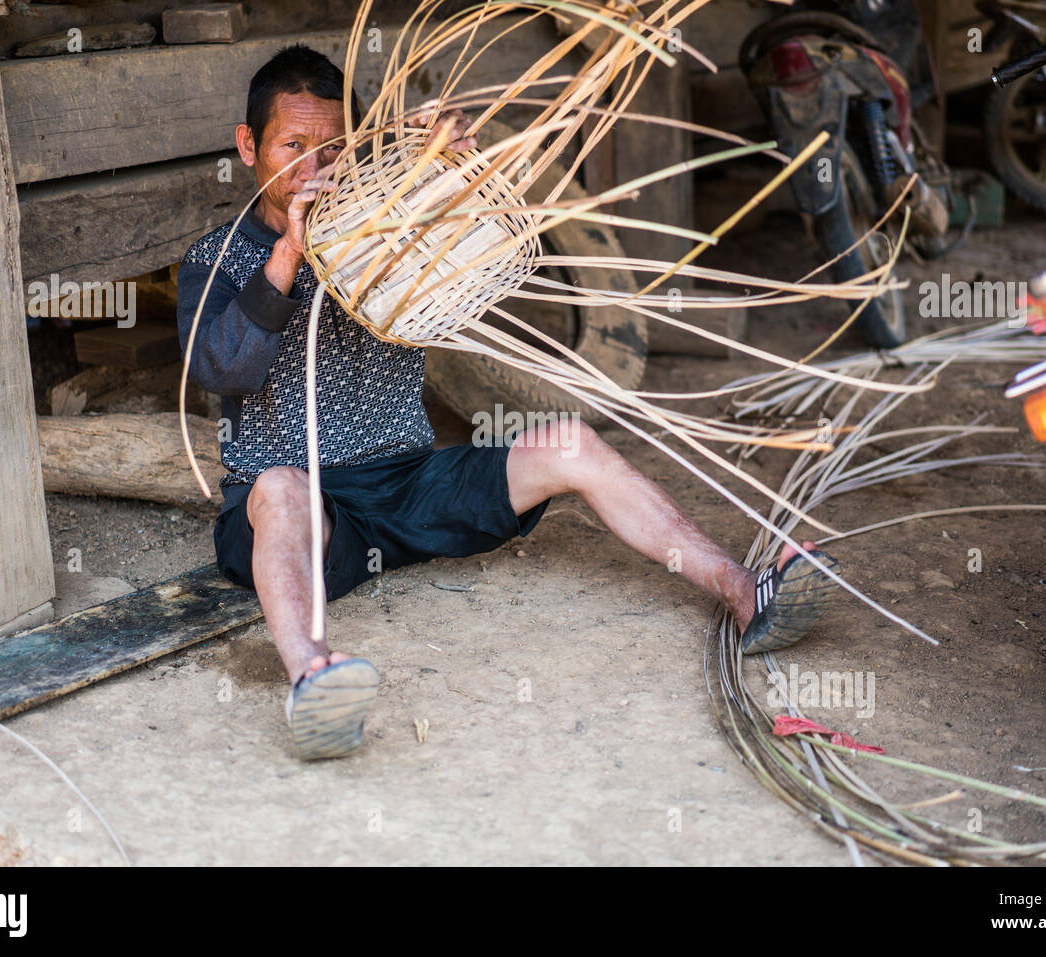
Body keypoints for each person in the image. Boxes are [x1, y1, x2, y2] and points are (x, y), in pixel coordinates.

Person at [177, 44, 839, 760]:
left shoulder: (388, 235)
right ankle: (314, 676)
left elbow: (476, 260)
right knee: (276, 489)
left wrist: (454, 175)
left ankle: (744, 590)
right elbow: (222, 371)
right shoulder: (216, 259)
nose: (315, 169)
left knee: (570, 443)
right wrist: (289, 258)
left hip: (407, 484)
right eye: (293, 147)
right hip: (306, 518)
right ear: (249, 147)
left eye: (334, 149)